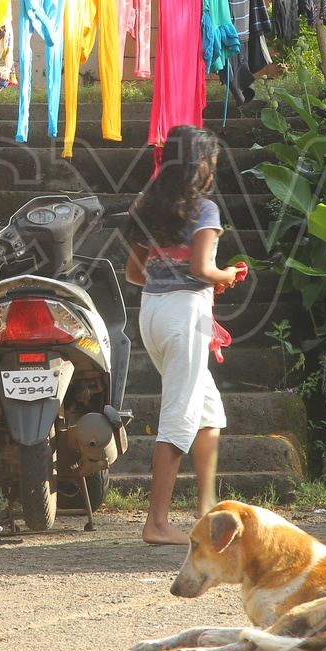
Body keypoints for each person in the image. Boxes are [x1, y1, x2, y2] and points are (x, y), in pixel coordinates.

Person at [122, 125, 247, 545]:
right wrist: (226, 275)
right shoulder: (205, 210)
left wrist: (168, 282)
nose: (213, 168)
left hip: (152, 313)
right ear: (199, 165)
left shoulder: (149, 205)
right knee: (179, 415)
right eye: (210, 161)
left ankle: (207, 510)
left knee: (208, 411)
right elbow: (202, 271)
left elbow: (133, 272)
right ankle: (156, 523)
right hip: (184, 314)